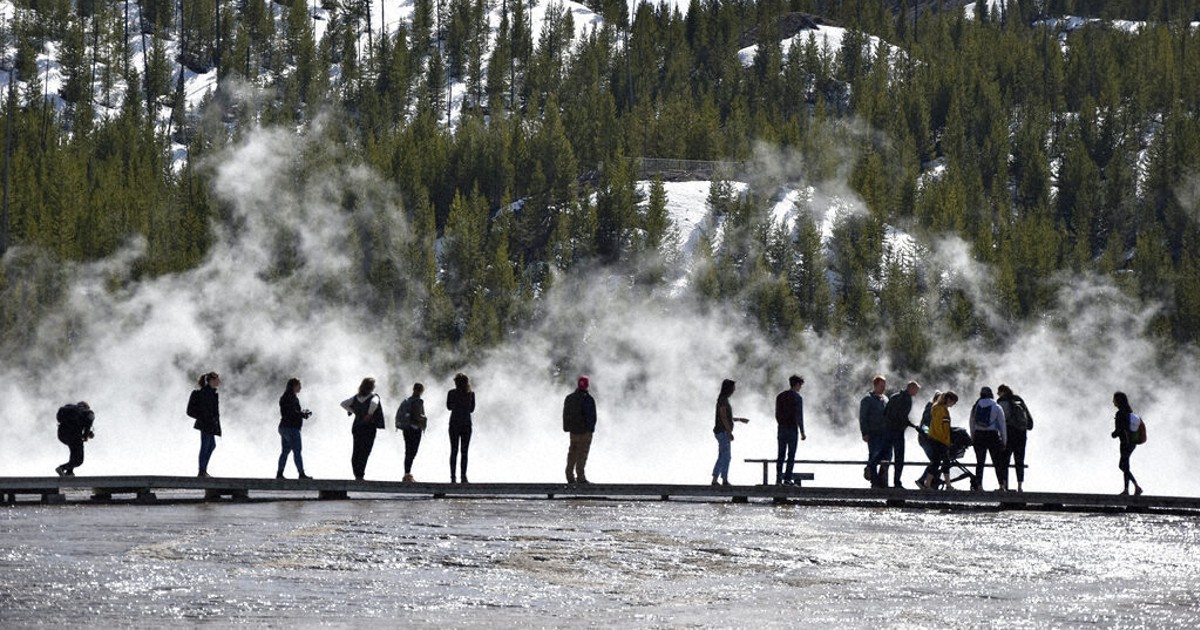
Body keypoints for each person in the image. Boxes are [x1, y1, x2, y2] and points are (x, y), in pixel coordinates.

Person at [342, 377, 384, 481]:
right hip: (368, 427)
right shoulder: (374, 396)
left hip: (357, 426)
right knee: (365, 451)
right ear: (372, 387)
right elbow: (374, 403)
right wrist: (369, 414)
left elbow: (343, 404)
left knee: (356, 450)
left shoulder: (356, 397)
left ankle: (357, 473)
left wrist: (353, 411)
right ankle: (360, 475)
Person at [883, 380, 921, 488]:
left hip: (888, 431)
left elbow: (885, 413)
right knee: (899, 459)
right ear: (911, 388)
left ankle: (883, 482)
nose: (916, 393)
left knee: (887, 457)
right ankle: (897, 482)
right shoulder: (907, 399)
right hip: (898, 432)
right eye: (916, 390)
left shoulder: (894, 396)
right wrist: (914, 426)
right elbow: (902, 416)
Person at [711, 379, 750, 486]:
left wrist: (739, 419)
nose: (734, 390)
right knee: (726, 456)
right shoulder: (723, 400)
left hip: (722, 431)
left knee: (722, 456)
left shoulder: (723, 399)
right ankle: (723, 479)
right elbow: (723, 417)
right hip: (723, 432)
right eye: (733, 388)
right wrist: (729, 432)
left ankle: (717, 479)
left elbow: (726, 417)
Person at [996, 384, 1034, 492]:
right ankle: (1020, 487)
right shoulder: (1019, 399)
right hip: (1021, 434)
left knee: (1004, 461)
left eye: (998, 392)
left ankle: (1004, 486)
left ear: (1003, 392)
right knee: (1019, 460)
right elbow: (1029, 420)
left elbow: (1000, 420)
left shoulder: (1001, 402)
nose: (998, 394)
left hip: (1009, 434)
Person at [969, 386, 1007, 491]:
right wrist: (1004, 441)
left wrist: (973, 436)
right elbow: (1002, 425)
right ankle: (1001, 486)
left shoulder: (976, 406)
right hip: (992, 436)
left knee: (980, 462)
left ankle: (979, 486)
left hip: (979, 435)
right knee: (997, 462)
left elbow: (972, 422)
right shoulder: (996, 406)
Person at [918, 391, 959, 490]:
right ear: (949, 400)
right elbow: (939, 427)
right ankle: (946, 485)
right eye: (954, 402)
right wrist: (945, 441)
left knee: (937, 462)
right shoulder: (941, 410)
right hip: (939, 441)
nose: (953, 405)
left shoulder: (939, 409)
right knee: (944, 462)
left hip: (936, 440)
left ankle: (928, 484)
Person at [563, 375, 597, 485]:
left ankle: (569, 476)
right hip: (585, 432)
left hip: (573, 432)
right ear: (587, 385)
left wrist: (567, 428)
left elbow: (565, 414)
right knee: (582, 454)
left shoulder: (569, 398)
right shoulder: (588, 399)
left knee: (572, 453)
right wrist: (591, 430)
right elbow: (592, 416)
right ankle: (580, 477)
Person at [187, 372, 222, 478]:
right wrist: (202, 418)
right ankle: (202, 471)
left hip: (211, 425)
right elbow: (190, 411)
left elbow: (215, 412)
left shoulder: (212, 393)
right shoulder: (202, 393)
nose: (219, 382)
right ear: (211, 380)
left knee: (211, 445)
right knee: (205, 446)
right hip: (205, 424)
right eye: (217, 379)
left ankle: (203, 470)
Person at [773, 375, 807, 485]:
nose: (800, 388)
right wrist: (802, 431)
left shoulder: (780, 396)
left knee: (781, 455)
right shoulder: (797, 398)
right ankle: (787, 479)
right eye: (800, 385)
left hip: (781, 428)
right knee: (791, 455)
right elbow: (799, 416)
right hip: (792, 429)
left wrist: (781, 423)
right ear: (797, 385)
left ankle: (778, 479)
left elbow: (777, 414)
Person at [277, 377, 312, 480]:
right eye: (298, 385)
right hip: (291, 427)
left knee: (285, 451)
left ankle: (279, 474)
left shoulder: (286, 397)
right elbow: (292, 412)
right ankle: (301, 474)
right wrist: (302, 414)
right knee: (297, 451)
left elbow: (290, 411)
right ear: (293, 386)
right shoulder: (291, 397)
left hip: (284, 427)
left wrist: (301, 413)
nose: (300, 388)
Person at [1111, 391, 1144, 496]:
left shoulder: (1120, 414)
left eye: (1114, 399)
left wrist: (1113, 434)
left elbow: (1119, 430)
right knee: (1125, 466)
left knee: (1123, 466)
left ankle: (1136, 487)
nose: (1113, 402)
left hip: (1125, 443)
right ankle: (1127, 489)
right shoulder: (1128, 412)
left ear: (1118, 401)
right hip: (1131, 443)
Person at [859, 376, 890, 488]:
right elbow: (863, 417)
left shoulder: (885, 399)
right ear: (875, 385)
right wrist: (864, 432)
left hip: (885, 433)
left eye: (884, 385)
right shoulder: (867, 399)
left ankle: (882, 479)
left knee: (887, 457)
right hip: (873, 433)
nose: (883, 388)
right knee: (874, 454)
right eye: (881, 386)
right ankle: (874, 481)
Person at [396, 383, 427, 483]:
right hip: (415, 429)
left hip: (406, 429)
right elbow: (417, 416)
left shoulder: (407, 401)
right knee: (412, 452)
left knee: (408, 451)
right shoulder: (418, 401)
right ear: (421, 391)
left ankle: (406, 473)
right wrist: (424, 418)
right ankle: (407, 475)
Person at [447, 373, 475, 484]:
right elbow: (472, 409)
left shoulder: (451, 393)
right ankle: (463, 477)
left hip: (454, 423)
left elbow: (448, 407)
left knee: (454, 450)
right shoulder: (470, 394)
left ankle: (453, 477)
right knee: (464, 451)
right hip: (466, 424)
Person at [54, 401, 95, 477]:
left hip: (62, 435)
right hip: (74, 436)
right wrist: (86, 436)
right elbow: (87, 428)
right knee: (79, 460)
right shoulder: (88, 413)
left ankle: (69, 472)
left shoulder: (69, 411)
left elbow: (76, 425)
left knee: (74, 451)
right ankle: (62, 468)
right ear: (87, 407)